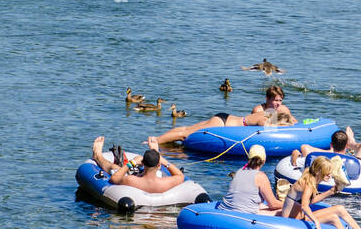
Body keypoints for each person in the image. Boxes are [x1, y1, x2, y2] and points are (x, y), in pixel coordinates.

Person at [280, 158, 361, 229]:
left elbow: (313, 201)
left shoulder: (312, 178)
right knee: (333, 217)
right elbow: (304, 206)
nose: (330, 175)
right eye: (327, 172)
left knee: (340, 208)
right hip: (292, 221)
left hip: (299, 217)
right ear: (318, 171)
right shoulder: (308, 184)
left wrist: (331, 191)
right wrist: (316, 221)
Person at [150, 85, 295, 145]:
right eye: (275, 101)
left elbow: (289, 120)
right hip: (223, 124)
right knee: (185, 134)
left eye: (280, 101)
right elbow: (268, 129)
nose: (278, 104)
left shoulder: (272, 112)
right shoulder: (262, 113)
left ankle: (157, 139)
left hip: (225, 118)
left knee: (187, 129)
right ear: (268, 99)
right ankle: (156, 141)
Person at [91, 136, 188, 194]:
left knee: (114, 168)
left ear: (143, 164)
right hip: (156, 182)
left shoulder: (131, 180)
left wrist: (131, 163)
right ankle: (155, 151)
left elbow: (114, 178)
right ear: (159, 165)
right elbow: (180, 175)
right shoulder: (167, 182)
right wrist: (164, 161)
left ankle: (97, 155)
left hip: (139, 182)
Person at [220, 144, 283, 214]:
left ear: (249, 159)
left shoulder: (239, 171)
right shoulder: (260, 176)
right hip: (244, 215)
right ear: (264, 160)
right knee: (289, 210)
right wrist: (287, 204)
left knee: (262, 205)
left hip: (225, 210)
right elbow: (273, 204)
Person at [292, 126, 361, 168]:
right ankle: (352, 143)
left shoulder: (318, 161)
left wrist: (295, 153)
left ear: (331, 145)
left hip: (330, 160)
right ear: (346, 146)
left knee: (304, 148)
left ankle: (349, 143)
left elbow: (295, 162)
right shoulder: (354, 163)